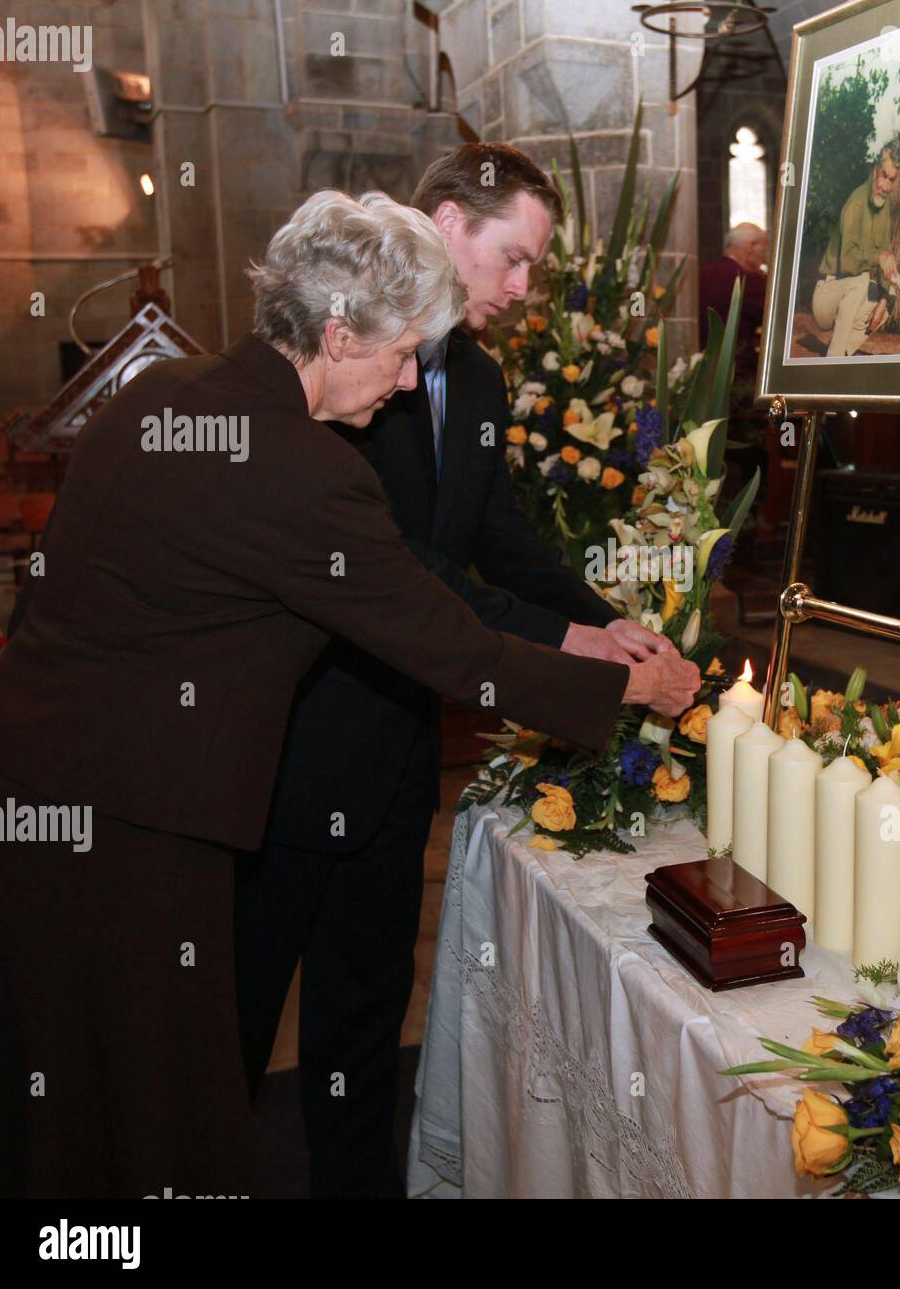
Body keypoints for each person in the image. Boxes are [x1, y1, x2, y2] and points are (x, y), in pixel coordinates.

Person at [0, 190, 699, 1199]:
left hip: (35, 795)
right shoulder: (299, 469)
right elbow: (451, 647)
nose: (410, 382)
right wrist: (630, 686)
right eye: (402, 351)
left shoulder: (163, 394)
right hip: (134, 827)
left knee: (60, 1099)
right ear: (335, 332)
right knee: (147, 1113)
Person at [233, 146, 672, 1199]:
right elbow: (406, 574)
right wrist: (576, 654)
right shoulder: (337, 365)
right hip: (287, 746)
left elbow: (495, 536)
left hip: (394, 743)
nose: (521, 291)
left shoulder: (475, 375)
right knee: (235, 1010)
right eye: (513, 259)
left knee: (366, 1004)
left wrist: (608, 617)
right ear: (446, 222)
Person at [812, 140, 900, 358]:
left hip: (850, 292)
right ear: (874, 171)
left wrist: (882, 301)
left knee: (890, 294)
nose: (886, 186)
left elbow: (884, 251)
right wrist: (878, 257)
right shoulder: (856, 202)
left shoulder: (884, 205)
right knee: (861, 280)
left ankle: (842, 352)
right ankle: (833, 359)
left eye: (892, 179)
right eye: (883, 175)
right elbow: (849, 261)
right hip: (826, 295)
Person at [699, 222, 769, 384]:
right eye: (764, 251)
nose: (764, 258)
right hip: (737, 372)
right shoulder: (745, 280)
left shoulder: (705, 272)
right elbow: (776, 316)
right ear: (751, 247)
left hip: (703, 367)